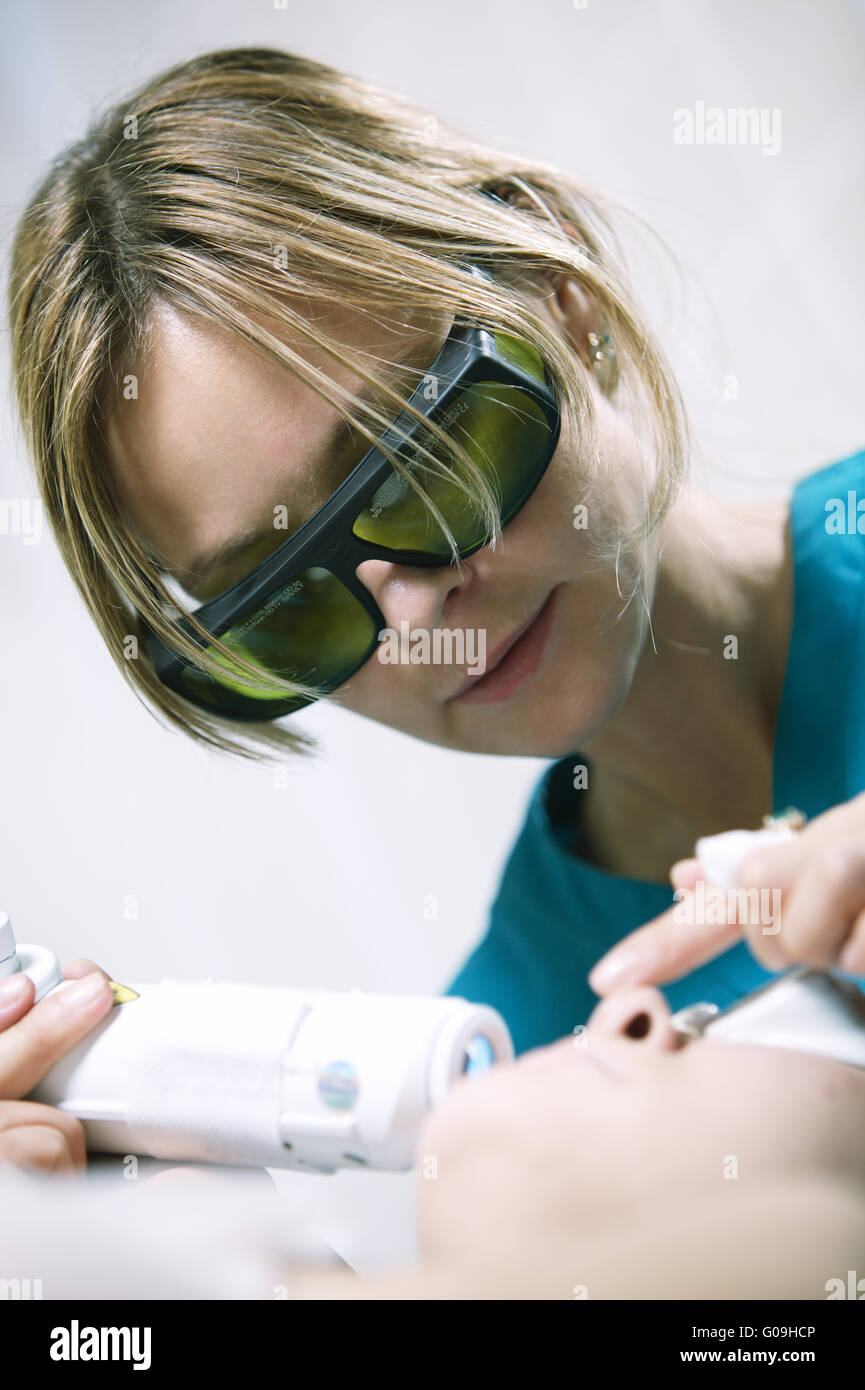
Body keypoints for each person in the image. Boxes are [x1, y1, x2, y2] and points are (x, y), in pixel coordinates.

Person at [6, 43, 865, 1168]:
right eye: (281, 601)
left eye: (421, 458)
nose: (416, 619)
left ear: (567, 295)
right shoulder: (514, 1070)